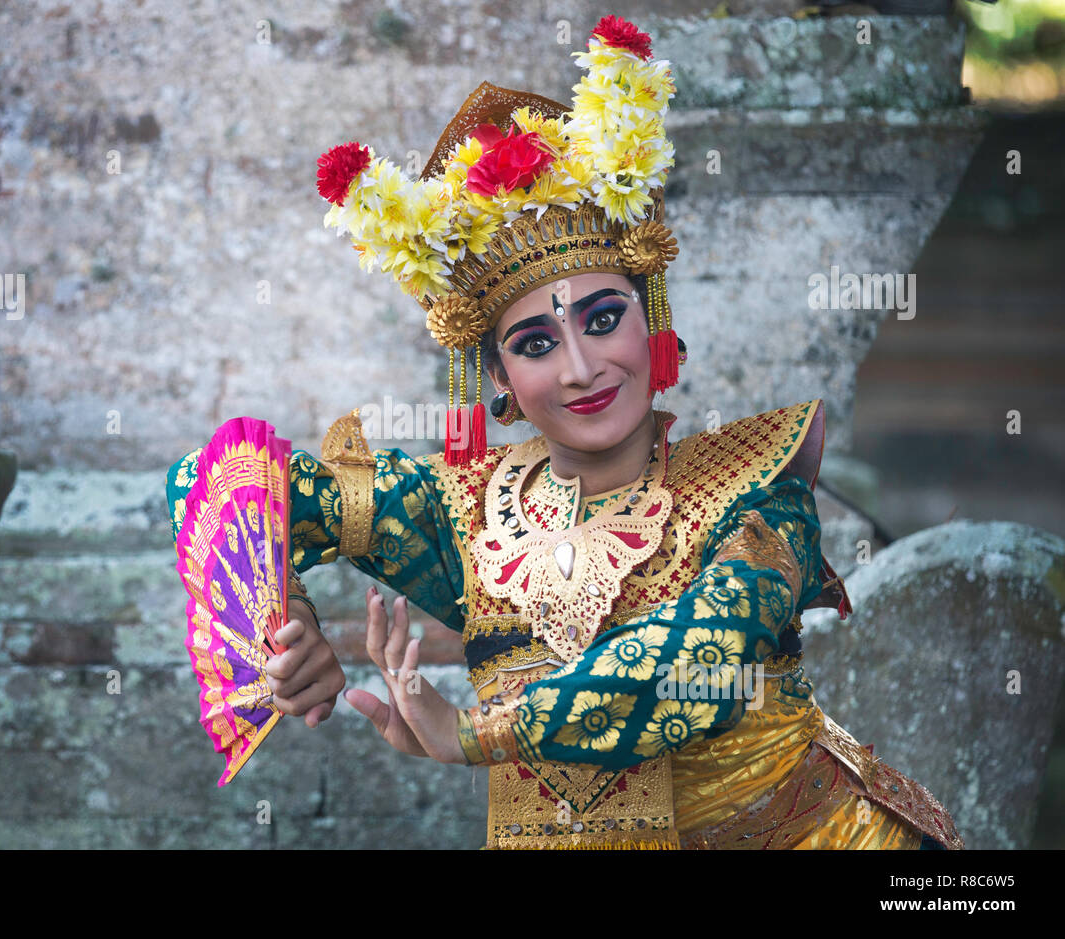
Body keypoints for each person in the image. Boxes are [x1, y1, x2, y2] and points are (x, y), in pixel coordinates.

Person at [166, 14, 963, 849]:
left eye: (604, 317)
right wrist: (284, 625)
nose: (581, 367)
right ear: (500, 382)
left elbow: (702, 663)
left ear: (651, 321)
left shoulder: (755, 484)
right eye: (537, 344)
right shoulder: (465, 513)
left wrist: (472, 733)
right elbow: (217, 479)